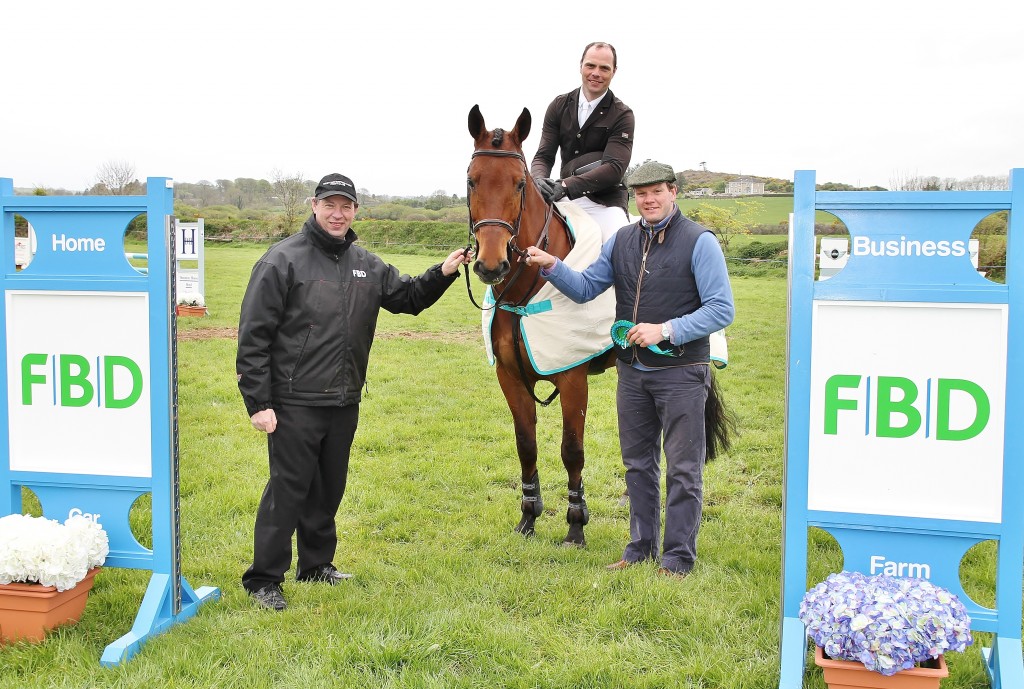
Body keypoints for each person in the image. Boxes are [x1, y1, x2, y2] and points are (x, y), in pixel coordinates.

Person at [236, 172, 471, 610]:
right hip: (294, 400)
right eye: (330, 205)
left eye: (346, 206)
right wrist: (259, 402)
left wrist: (443, 272)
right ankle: (263, 578)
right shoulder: (281, 260)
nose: (338, 214)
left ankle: (316, 565)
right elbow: (254, 337)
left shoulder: (367, 263)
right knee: (287, 490)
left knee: (328, 489)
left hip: (344, 398)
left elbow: (408, 297)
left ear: (356, 211)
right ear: (314, 205)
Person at [523, 161, 734, 577]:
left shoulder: (699, 241)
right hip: (633, 374)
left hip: (682, 372)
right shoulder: (621, 240)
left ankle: (676, 559)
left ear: (673, 192)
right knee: (638, 465)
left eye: (656, 191)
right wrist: (551, 264)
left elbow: (721, 308)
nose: (648, 200)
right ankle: (639, 549)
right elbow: (585, 289)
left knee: (683, 470)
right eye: (640, 194)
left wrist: (666, 330)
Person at [530, 41, 635, 242]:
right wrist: (538, 180)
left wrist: (566, 185)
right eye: (590, 65)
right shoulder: (558, 106)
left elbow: (614, 168)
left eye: (604, 68)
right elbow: (544, 156)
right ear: (581, 66)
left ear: (614, 71)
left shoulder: (622, 114)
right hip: (563, 198)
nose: (596, 73)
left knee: (619, 244)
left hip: (606, 202)